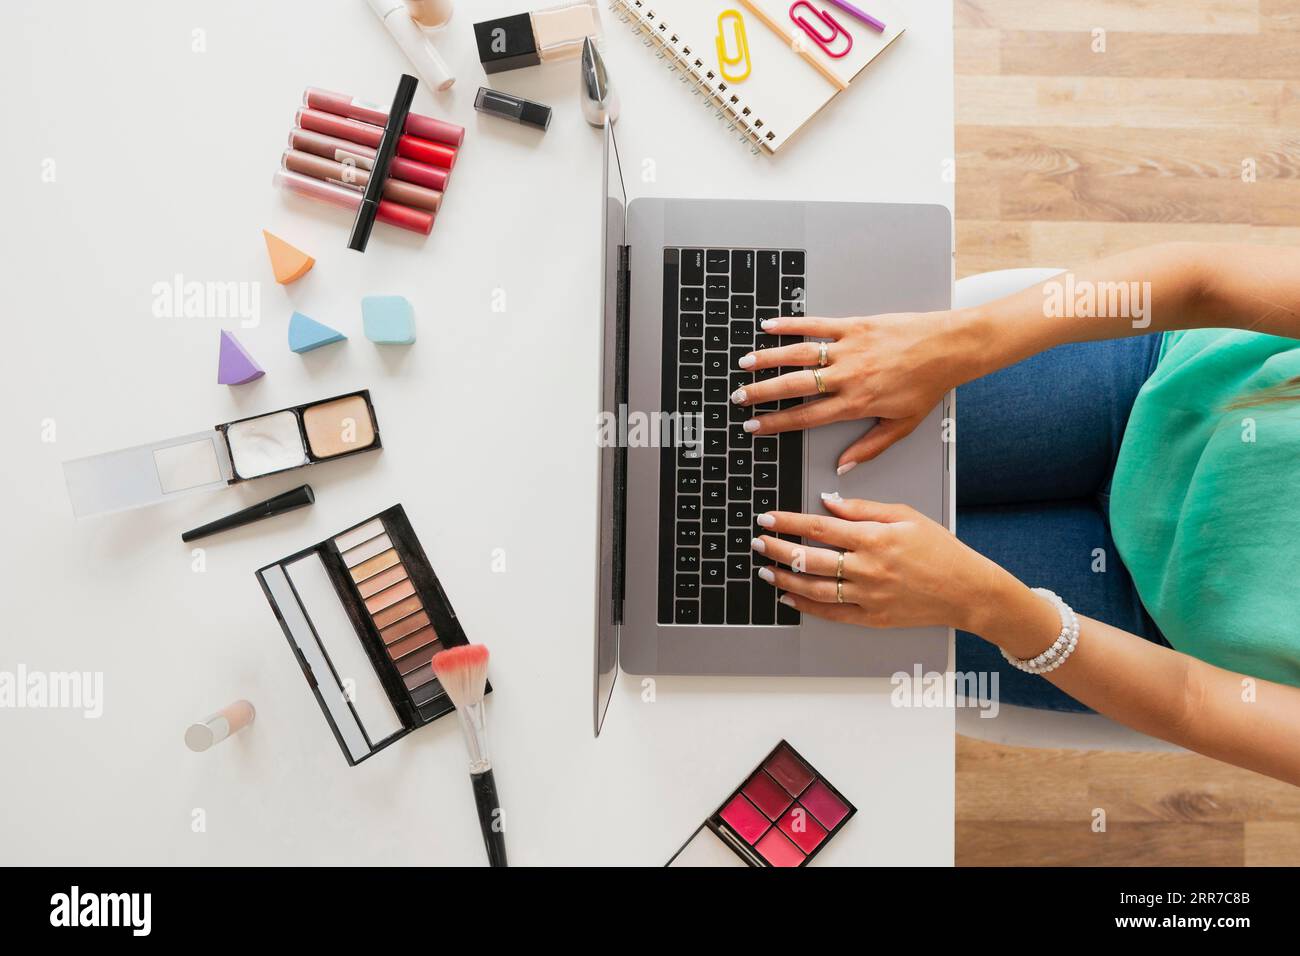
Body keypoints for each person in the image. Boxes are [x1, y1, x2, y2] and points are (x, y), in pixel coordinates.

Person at [729, 243, 1300, 786]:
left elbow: (1191, 703)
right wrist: (963, 341)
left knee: (742, 579)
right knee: (750, 410)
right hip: (1162, 388)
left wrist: (985, 604)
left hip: (1141, 627)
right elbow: (1206, 282)